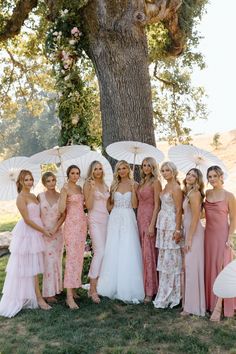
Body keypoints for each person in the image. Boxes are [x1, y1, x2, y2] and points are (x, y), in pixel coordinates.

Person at [0, 170, 52, 318]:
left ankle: (36, 295)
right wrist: (42, 230)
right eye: (26, 180)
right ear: (21, 182)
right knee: (30, 267)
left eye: (31, 179)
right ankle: (39, 299)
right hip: (29, 232)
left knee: (33, 266)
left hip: (38, 230)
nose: (29, 182)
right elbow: (28, 220)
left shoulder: (33, 195)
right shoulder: (21, 198)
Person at [97, 160, 145, 303]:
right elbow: (110, 205)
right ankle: (110, 284)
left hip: (128, 216)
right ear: (117, 171)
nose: (122, 171)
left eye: (124, 168)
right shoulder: (114, 185)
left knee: (127, 248)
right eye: (119, 169)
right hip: (115, 217)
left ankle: (127, 286)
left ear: (129, 169)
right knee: (113, 248)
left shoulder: (134, 184)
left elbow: (135, 205)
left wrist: (133, 189)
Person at [204, 165, 236, 321]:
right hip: (208, 236)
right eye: (209, 177)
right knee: (210, 267)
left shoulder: (229, 195)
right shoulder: (207, 193)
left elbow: (234, 219)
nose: (212, 179)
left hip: (222, 235)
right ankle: (210, 303)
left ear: (221, 176)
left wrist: (230, 237)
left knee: (222, 267)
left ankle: (219, 307)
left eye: (214, 176)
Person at [153, 161, 183, 309]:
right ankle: (164, 291)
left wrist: (178, 230)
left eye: (167, 170)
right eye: (163, 171)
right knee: (165, 258)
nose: (164, 173)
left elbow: (178, 210)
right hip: (163, 225)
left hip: (172, 225)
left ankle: (174, 294)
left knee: (172, 259)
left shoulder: (177, 188)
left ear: (174, 171)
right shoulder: (165, 187)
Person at [59, 165, 87, 309]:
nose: (75, 175)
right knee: (71, 258)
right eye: (72, 173)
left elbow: (84, 206)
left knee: (78, 257)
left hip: (82, 224)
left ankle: (74, 289)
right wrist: (63, 193)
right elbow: (61, 209)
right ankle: (69, 297)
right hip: (71, 225)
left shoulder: (79, 188)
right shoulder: (65, 188)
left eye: (77, 173)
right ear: (68, 174)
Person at [83, 161, 110, 304]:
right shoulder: (88, 184)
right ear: (91, 171)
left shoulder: (105, 184)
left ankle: (97, 285)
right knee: (100, 252)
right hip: (94, 220)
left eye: (100, 169)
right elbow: (88, 206)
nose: (98, 171)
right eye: (95, 169)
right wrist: (93, 190)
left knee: (105, 253)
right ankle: (93, 289)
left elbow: (108, 204)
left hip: (106, 220)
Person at [137, 157, 162, 303]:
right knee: (142, 253)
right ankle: (144, 286)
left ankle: (151, 290)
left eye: (148, 165)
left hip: (149, 219)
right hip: (140, 219)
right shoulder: (142, 182)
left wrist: (152, 224)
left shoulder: (155, 182)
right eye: (144, 165)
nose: (146, 168)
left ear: (153, 167)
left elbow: (157, 204)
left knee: (149, 254)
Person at [181, 168, 205, 316]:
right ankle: (189, 304)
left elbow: (196, 217)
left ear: (198, 179)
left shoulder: (195, 194)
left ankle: (191, 307)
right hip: (189, 232)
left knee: (191, 268)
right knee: (189, 268)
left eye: (193, 175)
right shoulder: (189, 193)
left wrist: (189, 238)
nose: (189, 177)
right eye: (188, 174)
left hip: (194, 234)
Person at [38, 172, 65, 303]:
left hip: (57, 233)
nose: (51, 183)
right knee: (48, 262)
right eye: (48, 181)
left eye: (53, 180)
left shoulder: (61, 196)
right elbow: (35, 215)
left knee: (56, 260)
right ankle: (48, 293)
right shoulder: (40, 197)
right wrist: (43, 230)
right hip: (44, 233)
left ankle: (56, 289)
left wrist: (55, 228)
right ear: (44, 183)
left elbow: (64, 215)